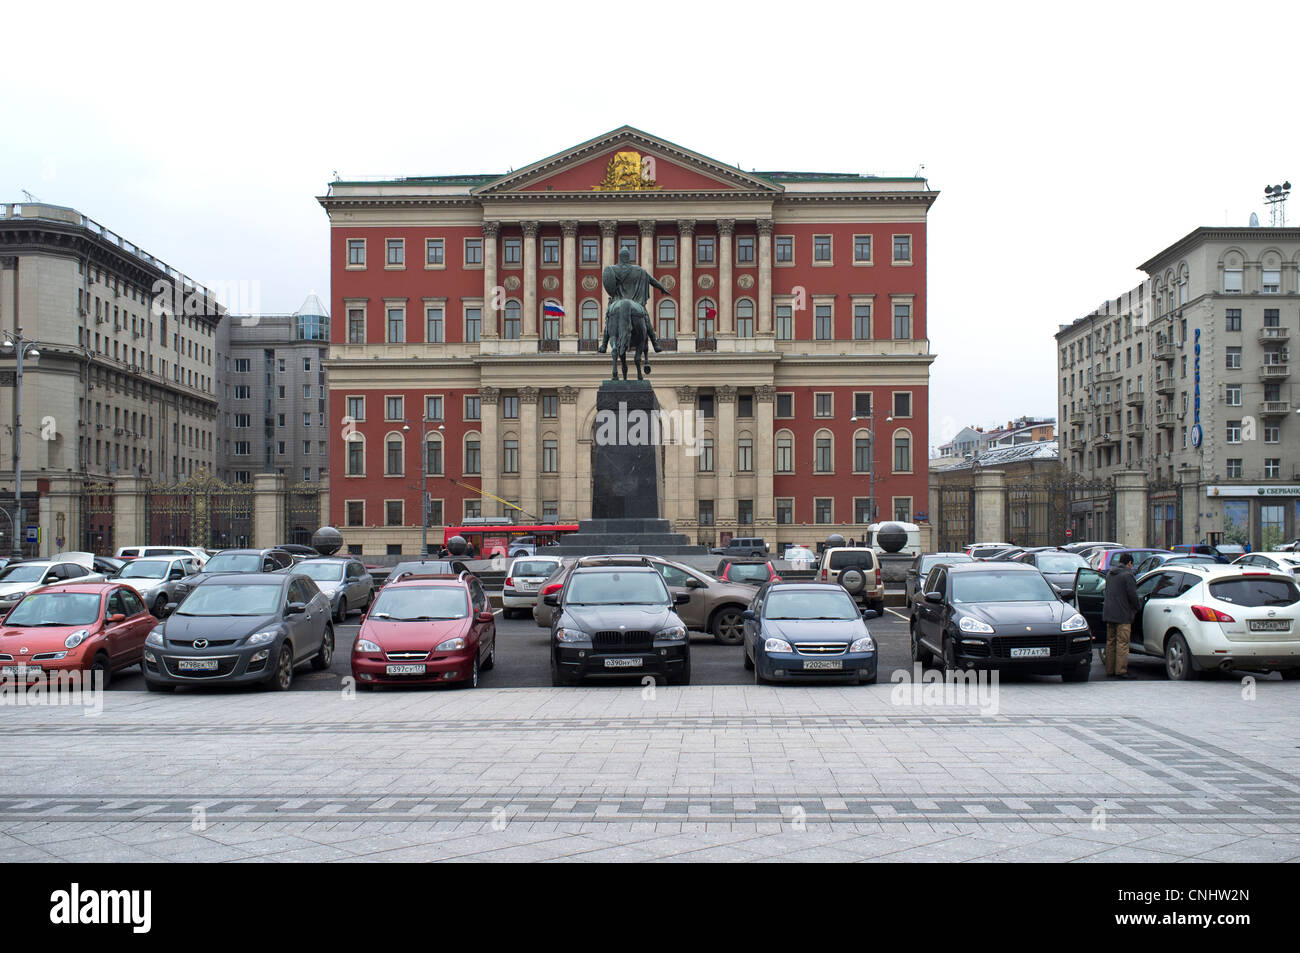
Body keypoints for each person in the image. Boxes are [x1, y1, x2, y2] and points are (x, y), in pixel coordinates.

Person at [1102, 552, 1139, 678]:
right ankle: (1121, 671)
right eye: (1131, 564)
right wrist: (1137, 607)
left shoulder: (1110, 574)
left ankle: (1109, 669)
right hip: (1123, 614)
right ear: (1129, 563)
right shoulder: (1127, 575)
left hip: (1109, 613)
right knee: (1122, 643)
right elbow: (1132, 595)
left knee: (1110, 642)